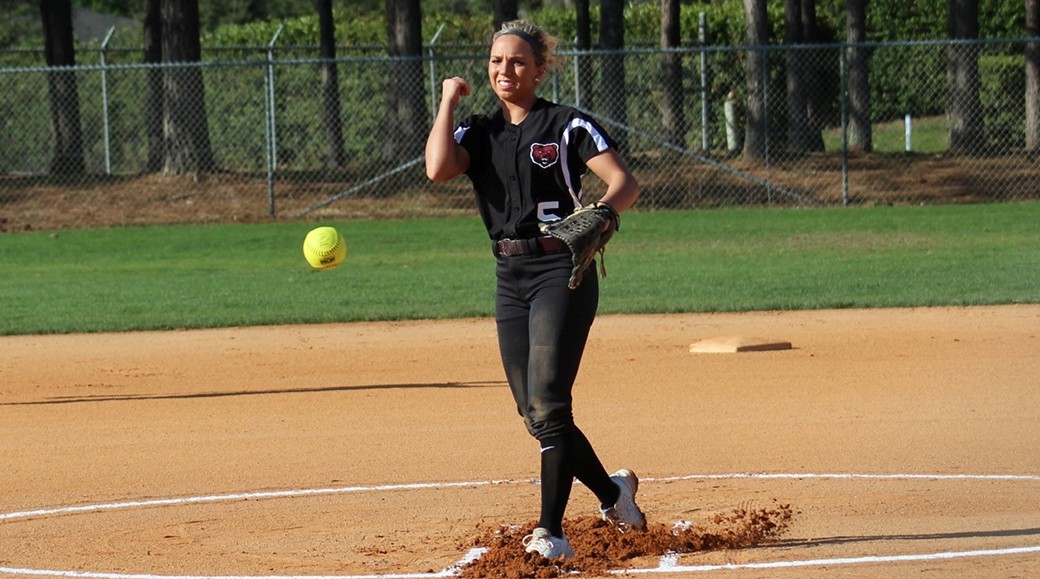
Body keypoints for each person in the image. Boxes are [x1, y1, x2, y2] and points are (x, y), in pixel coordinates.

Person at [424, 19, 644, 559]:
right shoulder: (477, 132)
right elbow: (436, 169)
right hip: (510, 277)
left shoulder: (566, 125)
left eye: (518, 61)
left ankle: (551, 532)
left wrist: (603, 214)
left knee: (548, 403)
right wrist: (448, 100)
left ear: (539, 69)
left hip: (559, 272)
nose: (505, 70)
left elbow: (624, 183)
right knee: (537, 414)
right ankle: (615, 493)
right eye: (497, 61)